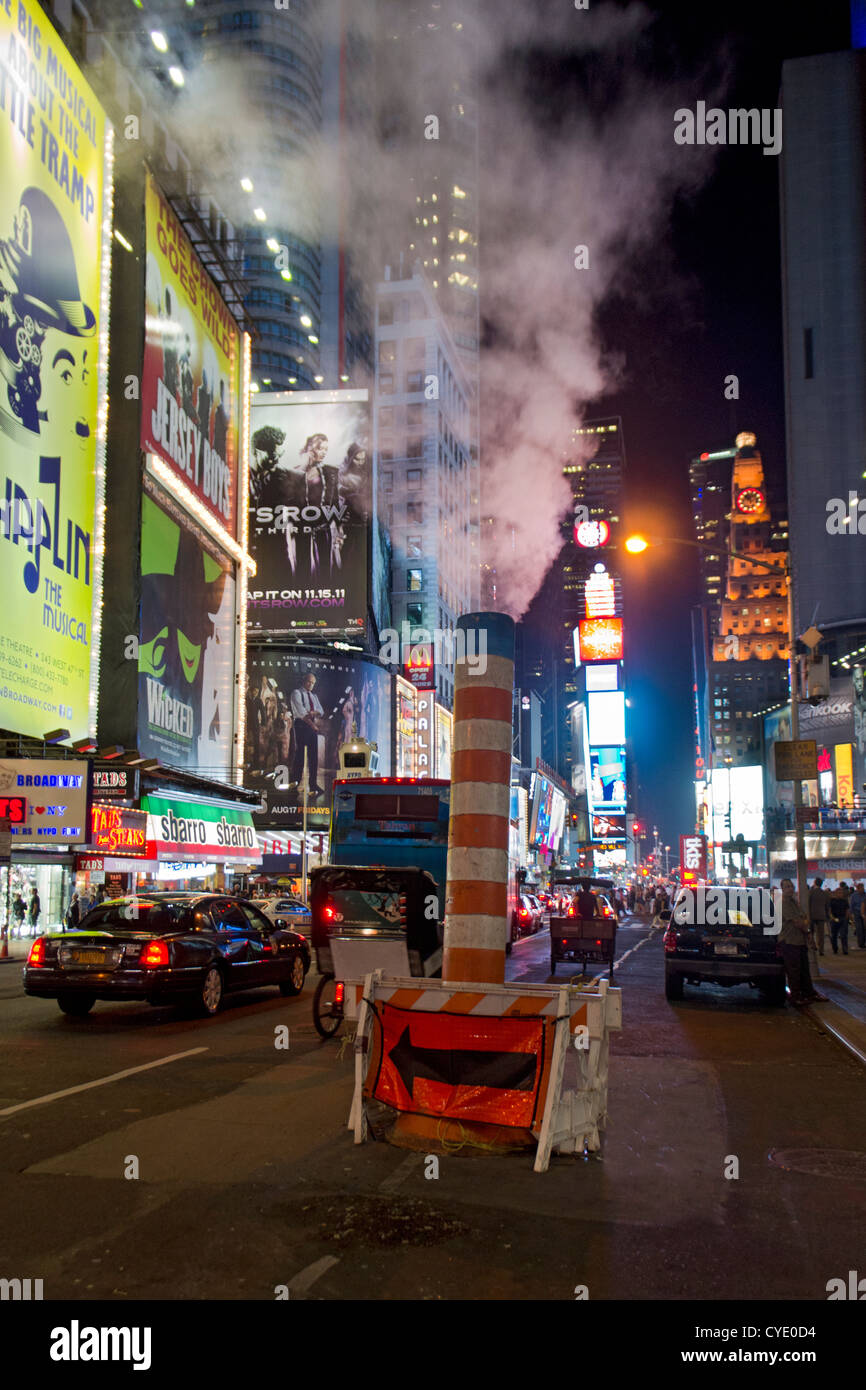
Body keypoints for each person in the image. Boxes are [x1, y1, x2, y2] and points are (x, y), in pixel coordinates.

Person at [779, 878, 826, 1004]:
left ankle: (808, 993)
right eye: (787, 887)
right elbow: (798, 922)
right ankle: (796, 996)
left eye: (791, 886)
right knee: (794, 970)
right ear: (782, 889)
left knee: (804, 969)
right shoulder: (783, 903)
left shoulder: (794, 902)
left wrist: (806, 929)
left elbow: (804, 918)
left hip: (800, 940)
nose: (790, 889)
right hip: (789, 941)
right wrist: (806, 928)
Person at [289, 672, 326, 797]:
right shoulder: (296, 693)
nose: (311, 685)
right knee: (300, 755)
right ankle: (295, 782)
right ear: (304, 681)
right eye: (309, 682)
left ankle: (313, 784)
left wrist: (313, 713)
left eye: (313, 683)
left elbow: (321, 711)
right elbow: (302, 713)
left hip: (311, 728)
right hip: (301, 726)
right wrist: (312, 724)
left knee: (313, 757)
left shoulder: (313, 696)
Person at [827, 882, 851, 956]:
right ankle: (835, 948)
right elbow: (829, 911)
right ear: (836, 893)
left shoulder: (845, 901)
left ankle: (845, 949)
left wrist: (846, 918)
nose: (841, 894)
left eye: (841, 893)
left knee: (844, 935)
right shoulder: (832, 901)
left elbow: (847, 910)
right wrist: (832, 918)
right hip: (834, 919)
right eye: (839, 893)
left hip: (843, 918)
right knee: (834, 935)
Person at [808, 876, 830, 956]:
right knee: (821, 934)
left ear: (814, 883)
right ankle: (821, 950)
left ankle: (813, 945)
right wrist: (827, 915)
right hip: (821, 915)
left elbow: (808, 904)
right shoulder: (824, 893)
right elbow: (827, 906)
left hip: (812, 915)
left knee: (811, 932)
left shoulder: (811, 892)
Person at [849, 880, 866, 950]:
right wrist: (851, 914)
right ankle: (860, 944)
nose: (862, 889)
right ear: (857, 889)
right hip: (856, 913)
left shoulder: (865, 895)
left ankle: (863, 943)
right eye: (861, 888)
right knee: (859, 929)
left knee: (864, 929)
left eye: (863, 888)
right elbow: (852, 905)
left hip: (864, 913)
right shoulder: (853, 896)